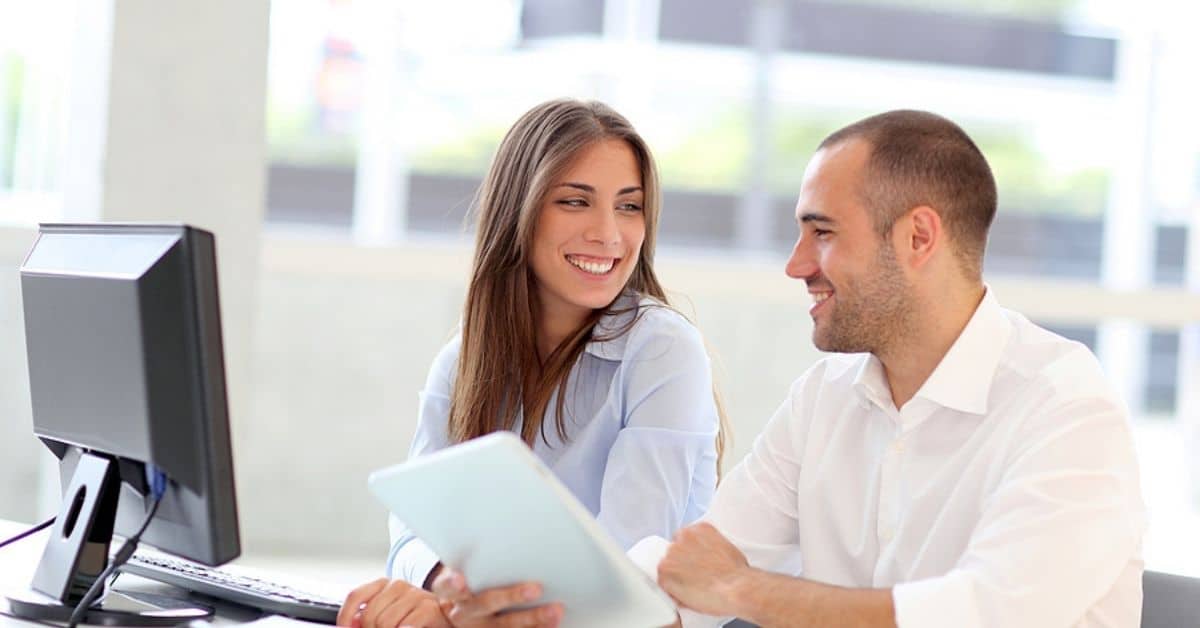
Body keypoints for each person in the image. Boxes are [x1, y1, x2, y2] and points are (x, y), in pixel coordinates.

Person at [637, 110, 1145, 627]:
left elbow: (987, 614)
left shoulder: (1067, 408)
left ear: (918, 238)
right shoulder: (823, 398)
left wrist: (742, 591)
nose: (797, 264)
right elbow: (701, 570)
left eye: (824, 232)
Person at [338, 98, 726, 628]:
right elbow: (410, 529)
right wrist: (441, 587)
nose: (608, 233)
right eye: (575, 202)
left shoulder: (661, 350)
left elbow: (623, 574)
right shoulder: (463, 360)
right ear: (520, 209)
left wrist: (468, 609)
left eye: (629, 206)